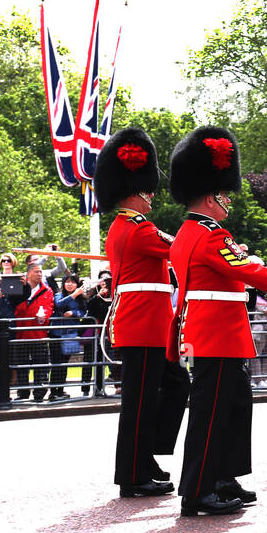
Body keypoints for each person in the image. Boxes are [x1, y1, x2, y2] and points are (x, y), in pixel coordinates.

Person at [168, 126, 267, 515]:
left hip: (212, 330)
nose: (227, 202)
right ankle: (198, 490)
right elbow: (251, 273)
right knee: (213, 412)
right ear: (210, 196)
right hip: (216, 333)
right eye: (223, 195)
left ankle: (223, 477)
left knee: (234, 407)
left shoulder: (188, 234)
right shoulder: (210, 235)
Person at [96, 128, 190, 495]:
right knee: (139, 402)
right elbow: (181, 247)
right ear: (134, 191)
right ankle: (133, 475)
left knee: (173, 385)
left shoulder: (127, 227)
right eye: (148, 190)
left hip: (147, 323)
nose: (152, 196)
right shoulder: (137, 229)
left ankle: (147, 457)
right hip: (142, 325)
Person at [13, 262, 55, 402]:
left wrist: (45, 316)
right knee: (21, 366)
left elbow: (49, 307)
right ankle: (23, 394)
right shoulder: (18, 289)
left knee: (41, 366)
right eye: (36, 272)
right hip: (21, 334)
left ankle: (39, 394)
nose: (39, 274)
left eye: (40, 272)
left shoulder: (47, 290)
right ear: (28, 273)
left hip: (39, 335)